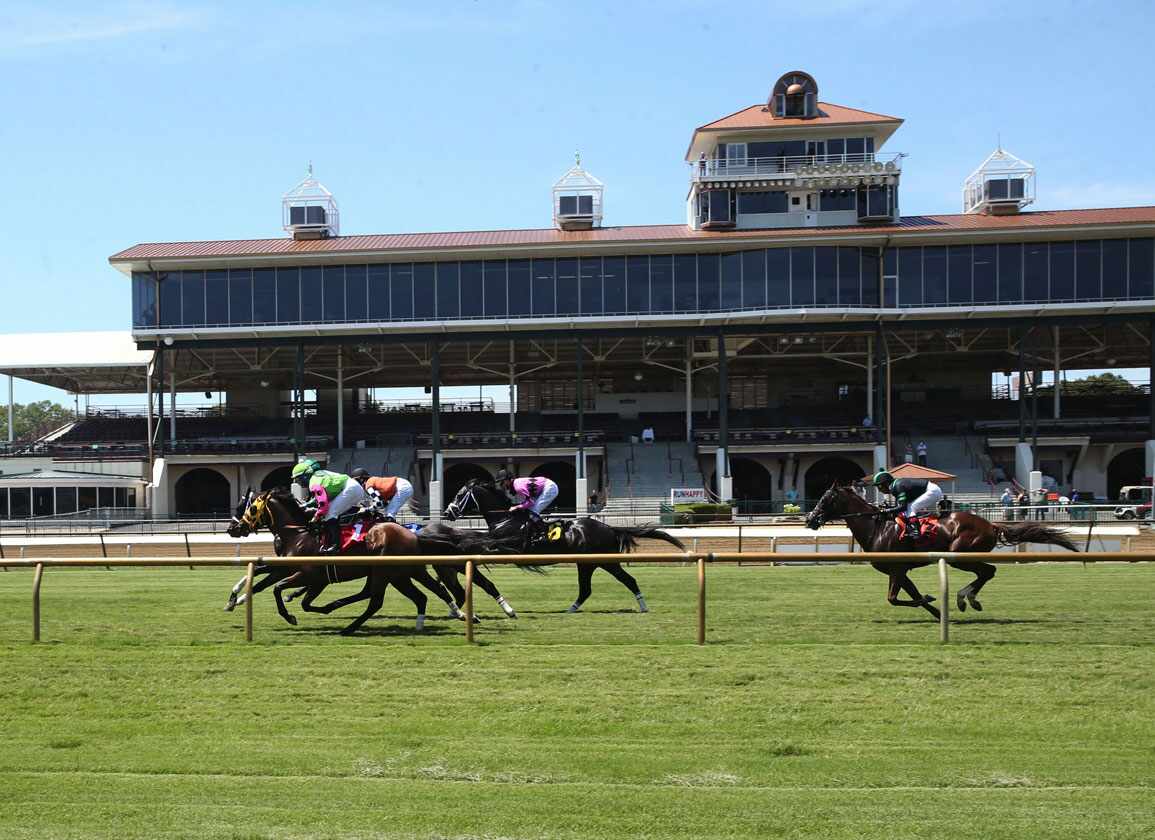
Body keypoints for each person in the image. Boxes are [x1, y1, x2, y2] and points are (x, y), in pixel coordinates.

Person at [292, 459, 368, 554]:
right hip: (352, 488)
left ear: (306, 475)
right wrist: (306, 505)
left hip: (351, 489)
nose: (298, 483)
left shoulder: (314, 482)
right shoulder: (318, 475)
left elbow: (323, 505)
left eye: (299, 479)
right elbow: (319, 499)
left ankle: (336, 545)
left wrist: (315, 518)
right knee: (330, 513)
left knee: (330, 513)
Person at [871, 470, 943, 540]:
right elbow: (900, 507)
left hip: (933, 491)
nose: (879, 490)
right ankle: (913, 528)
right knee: (908, 510)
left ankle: (916, 532)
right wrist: (889, 508)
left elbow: (903, 507)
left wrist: (887, 510)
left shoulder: (898, 486)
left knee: (911, 508)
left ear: (886, 484)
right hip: (929, 490)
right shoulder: (895, 486)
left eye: (879, 487)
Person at [495, 468, 559, 534]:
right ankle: (538, 531)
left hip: (549, 488)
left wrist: (516, 507)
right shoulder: (516, 483)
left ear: (508, 480)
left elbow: (530, 502)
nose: (501, 485)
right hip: (544, 487)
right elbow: (529, 501)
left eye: (502, 482)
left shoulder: (518, 487)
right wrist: (520, 506)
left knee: (532, 513)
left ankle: (546, 532)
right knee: (529, 511)